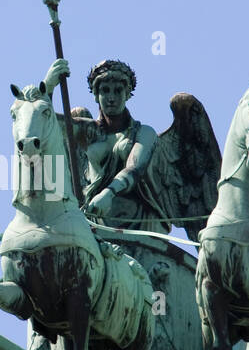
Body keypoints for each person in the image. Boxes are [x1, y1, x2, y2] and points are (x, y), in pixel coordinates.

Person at [42, 57, 168, 234]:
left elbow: (134, 168)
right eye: (105, 91)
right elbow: (45, 123)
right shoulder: (86, 131)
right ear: (96, 95)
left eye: (118, 91)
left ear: (128, 93)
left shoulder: (143, 133)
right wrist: (48, 88)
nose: (111, 98)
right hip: (95, 223)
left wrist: (108, 193)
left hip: (138, 227)